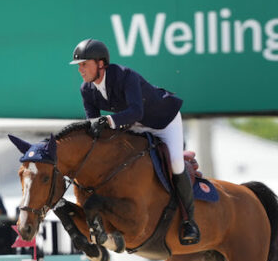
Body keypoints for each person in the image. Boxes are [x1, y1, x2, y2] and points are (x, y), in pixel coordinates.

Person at [71, 37, 199, 245]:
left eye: (84, 64)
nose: (80, 70)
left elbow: (136, 110)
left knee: (176, 163)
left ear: (100, 63)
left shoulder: (125, 76)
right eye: (79, 65)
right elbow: (93, 123)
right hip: (134, 125)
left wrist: (109, 120)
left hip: (163, 122)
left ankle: (189, 221)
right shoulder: (87, 90)